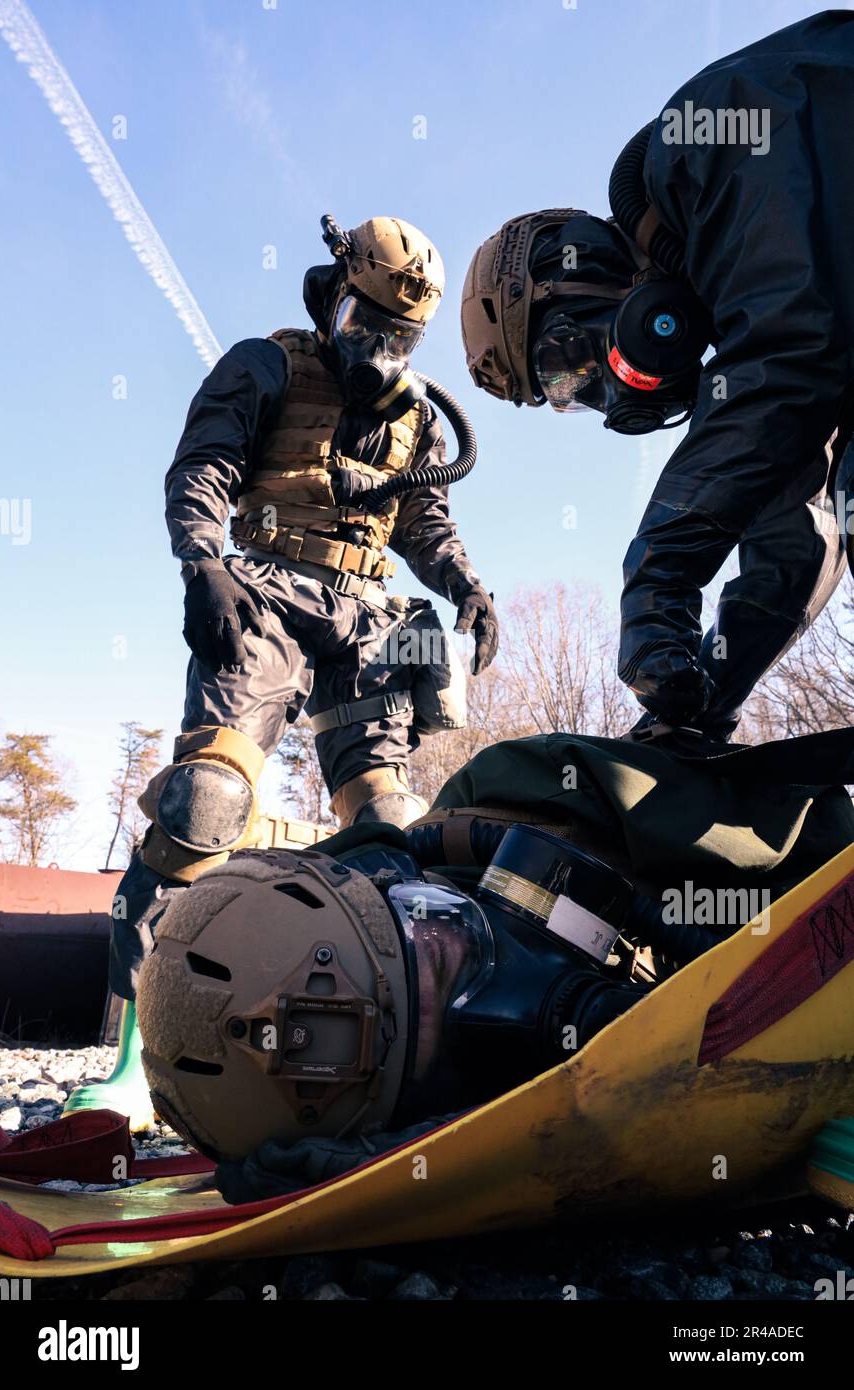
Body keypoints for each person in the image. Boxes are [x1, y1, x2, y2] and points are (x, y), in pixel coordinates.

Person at [65, 214, 498, 1125]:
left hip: (368, 619)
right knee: (203, 806)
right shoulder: (269, 364)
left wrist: (465, 583)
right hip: (262, 594)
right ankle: (137, 1057)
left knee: (390, 831)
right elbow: (206, 463)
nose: (376, 350)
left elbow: (422, 522)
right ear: (331, 294)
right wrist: (201, 561)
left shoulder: (418, 422)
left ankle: (388, 1057)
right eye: (362, 325)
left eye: (397, 337)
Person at [133, 724, 854, 1202]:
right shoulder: (459, 1139)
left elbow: (821, 845)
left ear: (402, 881)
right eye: (451, 1052)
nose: (500, 1010)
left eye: (452, 955)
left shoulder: (547, 791)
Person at [460, 10, 854, 743]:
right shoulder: (757, 308)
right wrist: (698, 704)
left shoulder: (699, 140)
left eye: (568, 364)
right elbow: (796, 541)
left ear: (578, 271)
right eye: (567, 398)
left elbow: (794, 350)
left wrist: (657, 573)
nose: (597, 391)